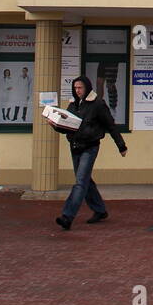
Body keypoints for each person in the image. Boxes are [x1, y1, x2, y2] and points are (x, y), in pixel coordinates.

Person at [53, 75, 128, 229]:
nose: (77, 90)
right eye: (75, 88)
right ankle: (100, 210)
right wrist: (54, 124)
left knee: (80, 182)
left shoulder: (98, 104)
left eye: (80, 88)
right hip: (75, 146)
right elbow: (66, 126)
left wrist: (121, 146)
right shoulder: (73, 105)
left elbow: (111, 125)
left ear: (87, 87)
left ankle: (67, 216)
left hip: (90, 146)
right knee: (85, 180)